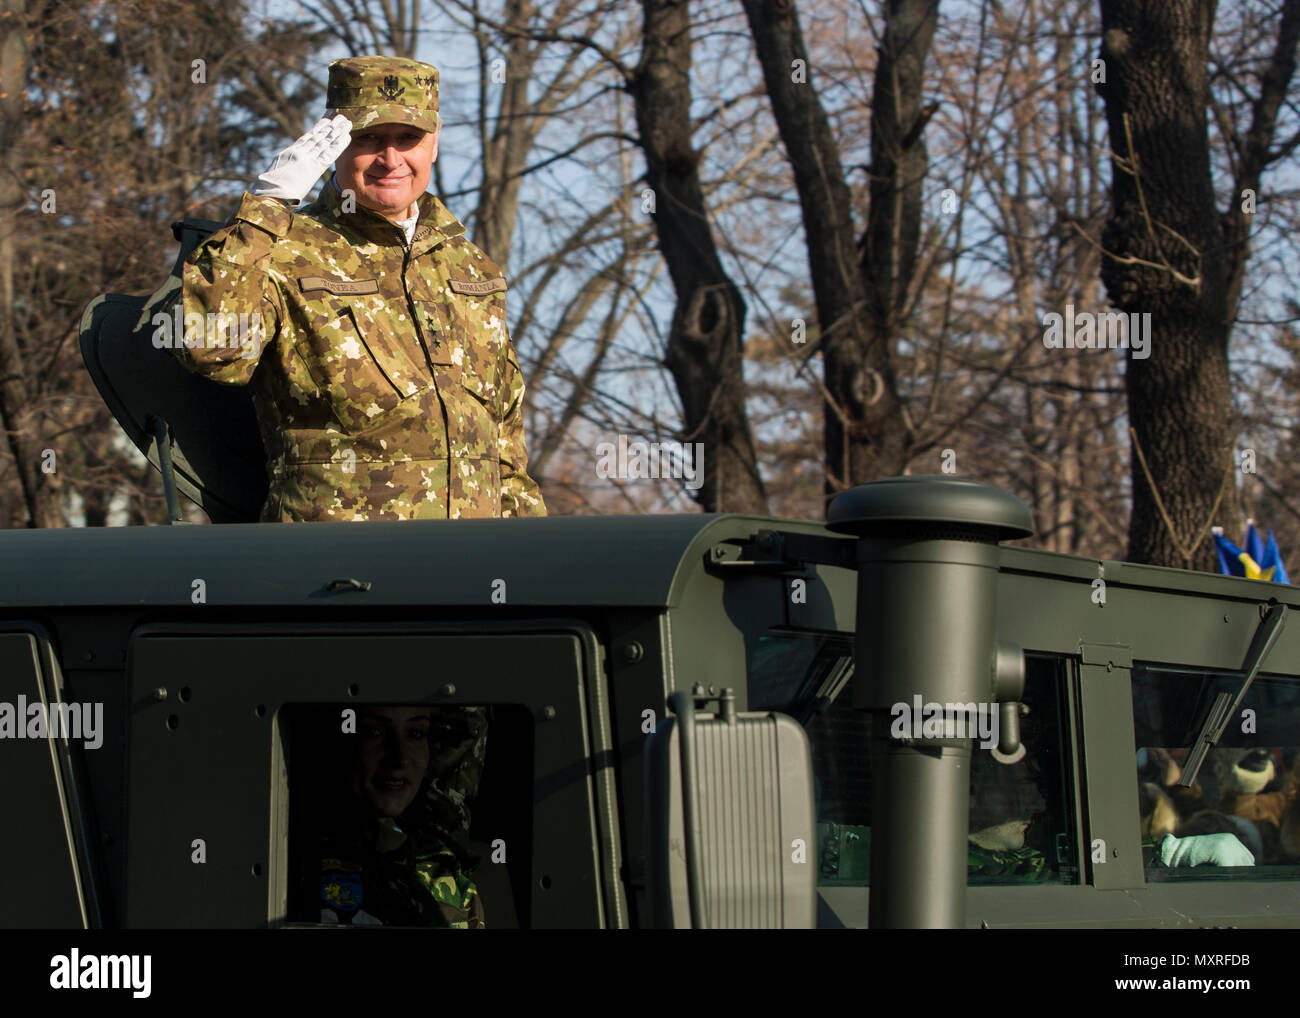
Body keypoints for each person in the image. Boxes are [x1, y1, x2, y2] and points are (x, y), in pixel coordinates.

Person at [168, 56, 546, 522]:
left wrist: (532, 561)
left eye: (408, 139)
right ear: (333, 144)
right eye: (368, 139)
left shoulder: (470, 268)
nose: (391, 160)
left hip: (472, 569)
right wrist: (267, 205)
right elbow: (212, 349)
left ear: (434, 144)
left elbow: (504, 448)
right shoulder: (282, 251)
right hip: (335, 572)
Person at [316, 704, 490, 928]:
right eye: (374, 732)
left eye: (416, 734)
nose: (400, 758)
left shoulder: (443, 869)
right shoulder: (288, 861)